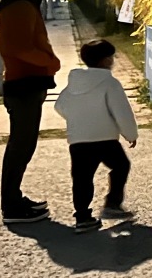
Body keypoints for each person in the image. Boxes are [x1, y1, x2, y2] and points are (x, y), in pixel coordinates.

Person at [0, 0, 59, 224]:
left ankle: (15, 199)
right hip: (23, 85)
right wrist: (50, 62)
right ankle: (11, 206)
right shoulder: (20, 6)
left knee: (24, 145)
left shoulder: (21, 3)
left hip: (27, 83)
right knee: (21, 146)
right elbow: (15, 48)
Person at [54, 39, 138, 233]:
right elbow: (121, 111)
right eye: (111, 57)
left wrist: (79, 119)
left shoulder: (73, 83)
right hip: (105, 138)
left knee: (82, 178)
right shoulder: (109, 82)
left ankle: (82, 217)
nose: (113, 60)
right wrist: (130, 133)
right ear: (105, 60)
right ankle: (112, 204)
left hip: (79, 141)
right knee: (121, 166)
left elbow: (60, 106)